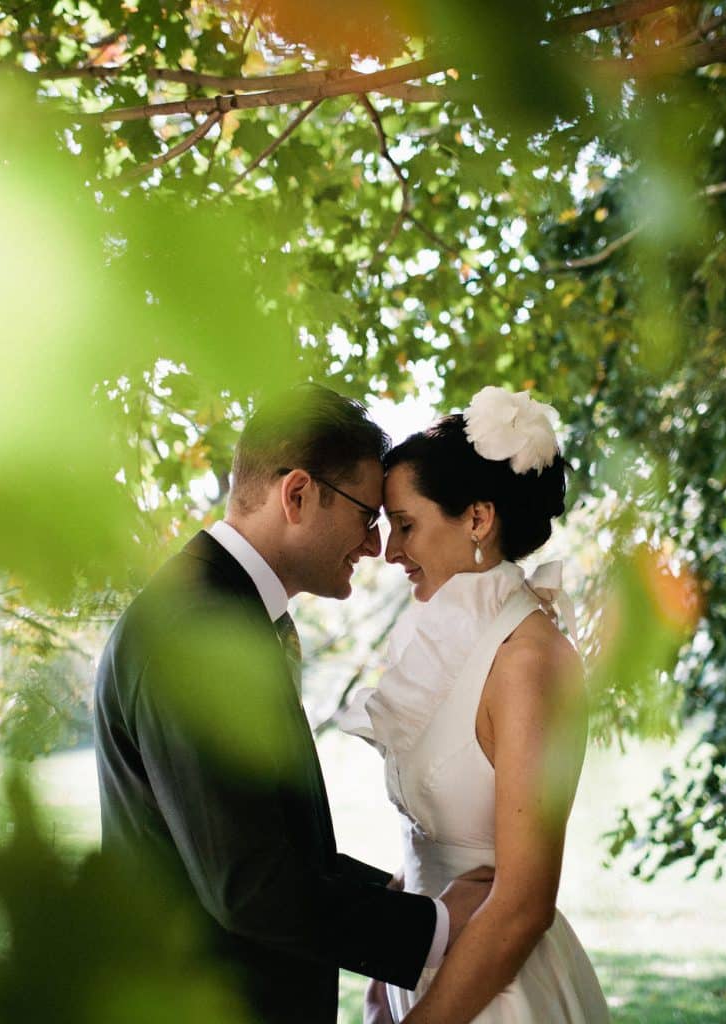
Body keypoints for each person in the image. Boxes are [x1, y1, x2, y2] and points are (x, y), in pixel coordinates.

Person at [93, 384, 493, 1024]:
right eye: (367, 516)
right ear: (298, 495)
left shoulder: (231, 613)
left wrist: (388, 892)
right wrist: (437, 927)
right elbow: (249, 888)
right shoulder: (196, 631)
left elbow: (257, 835)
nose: (374, 547)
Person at [340, 386, 609, 1023]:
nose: (390, 551)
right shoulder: (452, 647)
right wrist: (384, 988)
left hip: (496, 995)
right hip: (427, 973)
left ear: (477, 520)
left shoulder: (530, 663)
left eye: (405, 525)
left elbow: (522, 904)